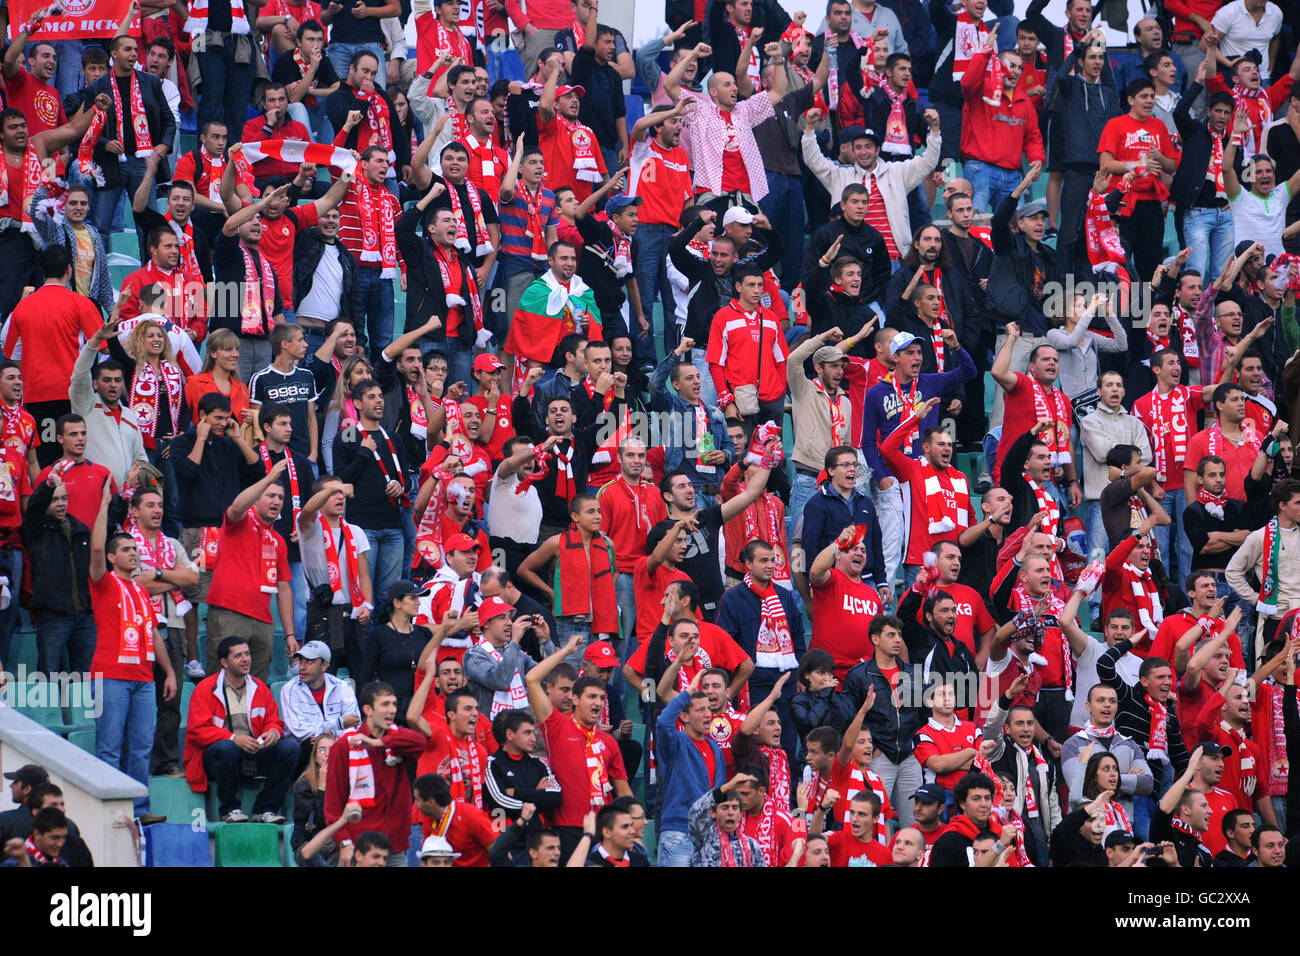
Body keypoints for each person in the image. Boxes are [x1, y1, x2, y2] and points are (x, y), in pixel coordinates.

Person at [88, 481, 173, 825]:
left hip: (143, 679)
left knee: (140, 748)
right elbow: (94, 551)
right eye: (125, 550)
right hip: (110, 677)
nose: (133, 553)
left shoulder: (140, 591)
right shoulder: (104, 583)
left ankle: (138, 810)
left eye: (134, 549)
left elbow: (153, 632)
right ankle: (109, 809)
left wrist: (167, 672)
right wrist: (104, 506)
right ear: (112, 558)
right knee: (108, 747)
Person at [525, 635, 632, 857]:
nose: (598, 703)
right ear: (575, 700)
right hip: (567, 826)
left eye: (601, 698)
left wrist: (634, 824)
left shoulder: (609, 741)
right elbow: (532, 679)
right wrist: (566, 652)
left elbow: (622, 789)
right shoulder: (556, 727)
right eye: (591, 697)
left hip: (605, 828)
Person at [183, 636, 300, 823]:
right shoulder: (206, 689)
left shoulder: (259, 687)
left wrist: (273, 732)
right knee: (228, 748)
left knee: (290, 749)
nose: (245, 659)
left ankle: (265, 809)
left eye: (247, 654)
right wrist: (233, 738)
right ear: (224, 662)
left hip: (254, 751)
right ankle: (229, 809)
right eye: (238, 656)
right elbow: (197, 730)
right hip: (219, 758)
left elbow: (274, 720)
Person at [325, 681, 429, 867]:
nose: (392, 710)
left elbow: (420, 742)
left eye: (394, 704)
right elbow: (333, 804)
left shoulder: (397, 740)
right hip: (359, 846)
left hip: (394, 846)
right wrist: (344, 842)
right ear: (368, 710)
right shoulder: (344, 746)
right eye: (385, 704)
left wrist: (378, 743)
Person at [22, 472, 93, 676]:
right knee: (48, 676)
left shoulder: (81, 530)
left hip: (84, 616)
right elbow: (34, 507)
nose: (61, 504)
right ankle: (50, 711)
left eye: (64, 498)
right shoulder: (37, 528)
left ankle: (78, 710)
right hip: (53, 613)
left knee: (84, 679)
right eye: (54, 500)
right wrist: (48, 485)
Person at [654, 683, 726, 867]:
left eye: (709, 709)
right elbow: (663, 723)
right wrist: (686, 694)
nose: (708, 714)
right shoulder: (675, 742)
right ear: (684, 716)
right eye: (700, 710)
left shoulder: (714, 747)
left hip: (709, 835)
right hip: (679, 833)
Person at [279, 640, 361, 745]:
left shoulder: (342, 687)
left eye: (309, 661)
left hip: (339, 744)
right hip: (306, 746)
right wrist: (338, 723)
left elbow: (354, 724)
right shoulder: (290, 689)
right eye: (301, 661)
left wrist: (331, 737)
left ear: (324, 665)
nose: (302, 667)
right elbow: (299, 730)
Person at [686, 771, 767, 867]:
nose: (730, 812)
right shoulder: (704, 837)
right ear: (713, 812)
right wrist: (727, 787)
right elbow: (695, 812)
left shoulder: (751, 845)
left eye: (735, 808)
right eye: (725, 808)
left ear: (740, 813)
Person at [928, 771, 1000, 867]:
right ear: (962, 804)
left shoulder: (1001, 834)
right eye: (976, 798)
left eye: (987, 798)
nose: (983, 804)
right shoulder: (948, 841)